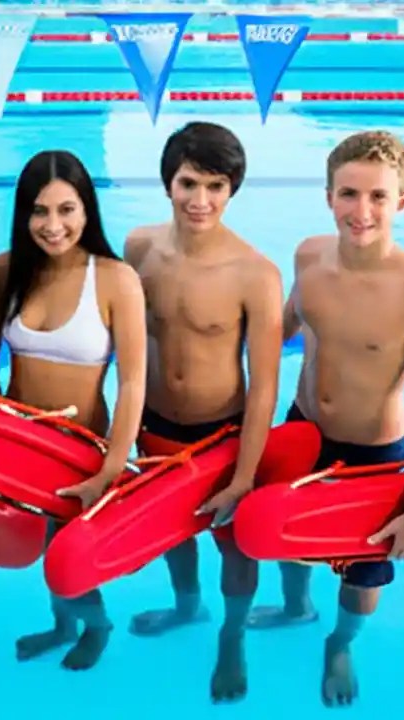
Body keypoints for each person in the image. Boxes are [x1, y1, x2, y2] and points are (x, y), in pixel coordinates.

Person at [251, 130, 404, 707]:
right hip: (302, 430)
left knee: (363, 570)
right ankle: (296, 607)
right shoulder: (309, 256)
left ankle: (341, 642)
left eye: (378, 196)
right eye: (348, 194)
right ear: (328, 196)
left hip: (373, 454)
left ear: (402, 202)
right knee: (287, 535)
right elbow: (286, 326)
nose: (361, 210)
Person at [122, 122, 284, 702]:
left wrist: (244, 475)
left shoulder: (256, 274)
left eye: (216, 187)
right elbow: (125, 350)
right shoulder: (140, 250)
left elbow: (265, 386)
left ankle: (232, 636)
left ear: (232, 189)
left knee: (235, 543)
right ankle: (186, 606)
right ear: (168, 182)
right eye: (189, 183)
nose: (201, 200)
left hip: (223, 434)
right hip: (155, 428)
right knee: (175, 531)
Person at [0, 149, 147, 672]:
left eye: (66, 210)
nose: (53, 226)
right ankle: (64, 626)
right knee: (15, 544)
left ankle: (96, 625)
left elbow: (133, 382)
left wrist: (111, 469)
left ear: (87, 210)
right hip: (19, 445)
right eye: (39, 211)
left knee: (62, 554)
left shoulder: (115, 279)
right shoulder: (6, 270)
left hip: (80, 452)